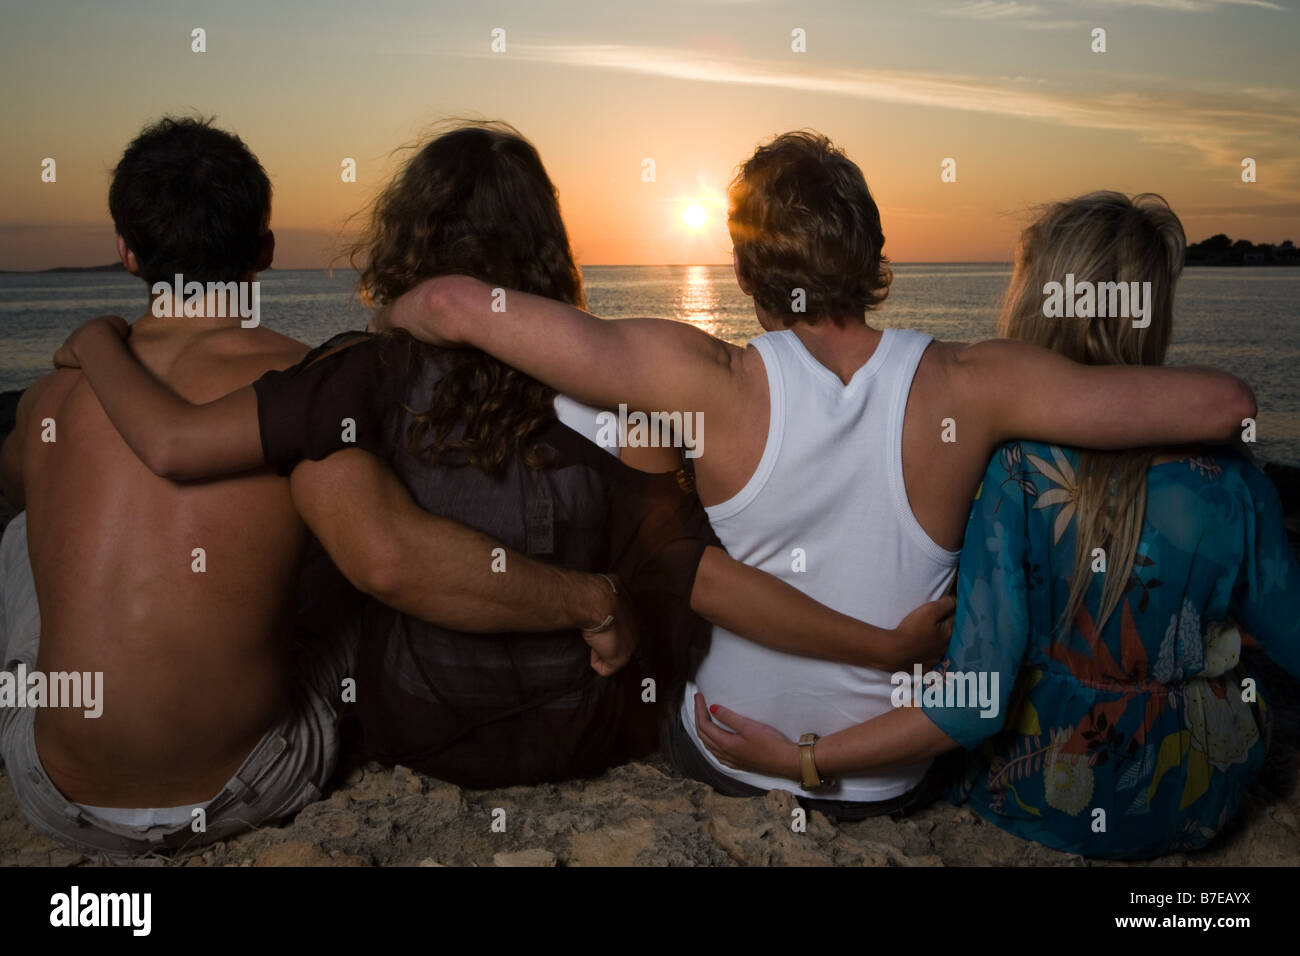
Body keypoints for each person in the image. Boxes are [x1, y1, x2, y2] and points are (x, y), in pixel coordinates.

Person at [369, 132, 1258, 819]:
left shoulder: (705, 380)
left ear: (748, 273)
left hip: (727, 758)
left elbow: (454, 305)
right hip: (894, 779)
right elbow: (1225, 405)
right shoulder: (977, 383)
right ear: (874, 255)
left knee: (661, 554)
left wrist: (396, 315)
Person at [54, 122, 954, 799]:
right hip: (591, 727)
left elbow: (179, 447)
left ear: (405, 240)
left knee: (314, 536)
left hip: (422, 728)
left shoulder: (352, 375)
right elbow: (676, 574)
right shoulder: (618, 392)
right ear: (547, 247)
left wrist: (98, 341)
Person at [0, 116, 686, 858]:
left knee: (20, 537)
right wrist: (594, 597)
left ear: (127, 254)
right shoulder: (297, 375)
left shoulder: (51, 401)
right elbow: (387, 555)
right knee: (333, 529)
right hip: (249, 781)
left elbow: (56, 485)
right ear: (263, 250)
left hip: (55, 790)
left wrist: (97, 347)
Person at [693, 192, 1300, 858]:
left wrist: (802, 760)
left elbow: (974, 704)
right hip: (1195, 789)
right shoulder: (1232, 477)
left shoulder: (1014, 473)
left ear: (1040, 295)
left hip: (1041, 792)